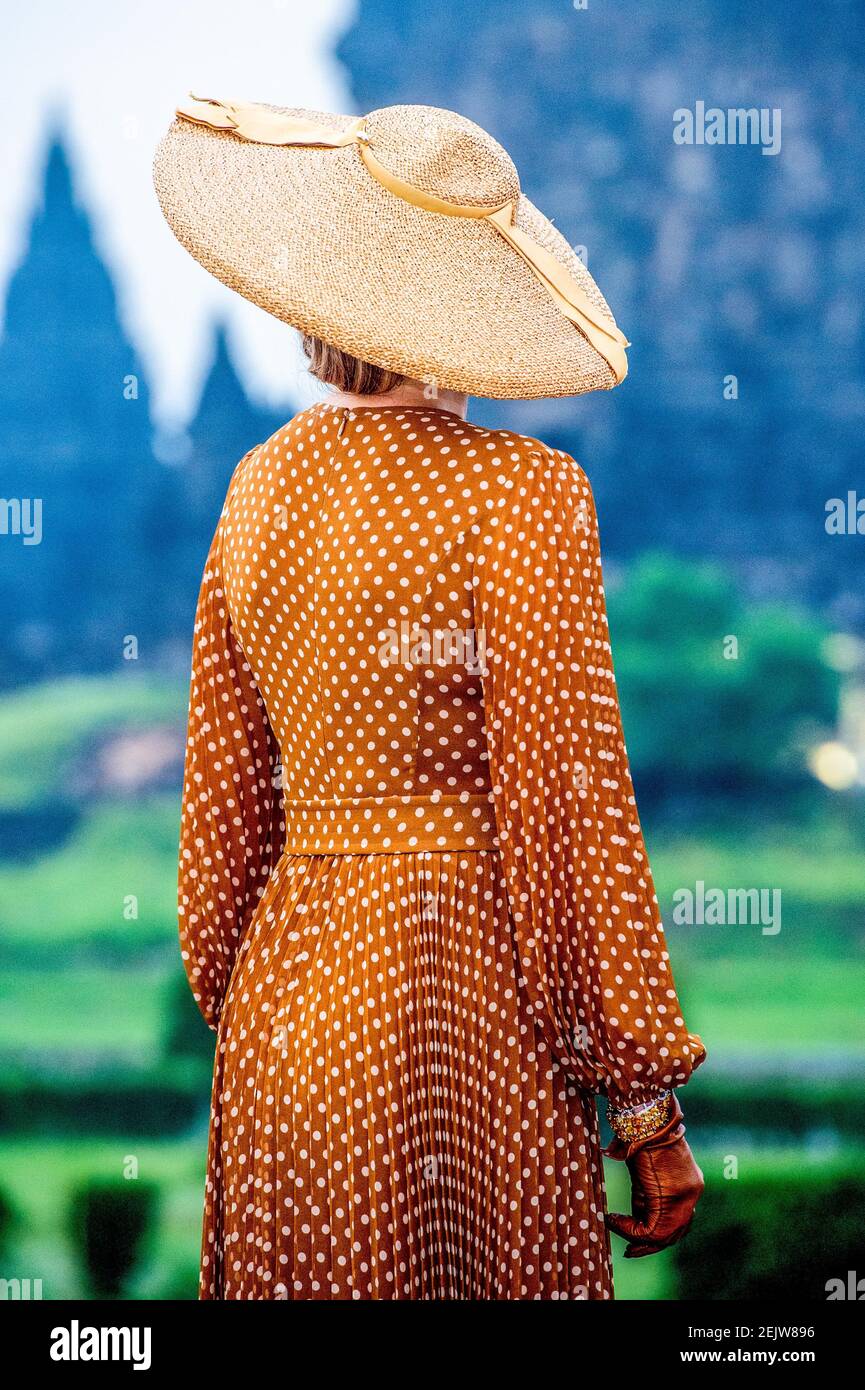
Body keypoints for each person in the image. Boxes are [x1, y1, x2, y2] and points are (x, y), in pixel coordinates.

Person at [154, 95, 706, 1300]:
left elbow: (220, 824)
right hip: (471, 1005)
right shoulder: (528, 495)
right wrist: (645, 1097)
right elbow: (572, 807)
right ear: (477, 310)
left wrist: (251, 999)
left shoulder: (255, 491)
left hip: (286, 1022)